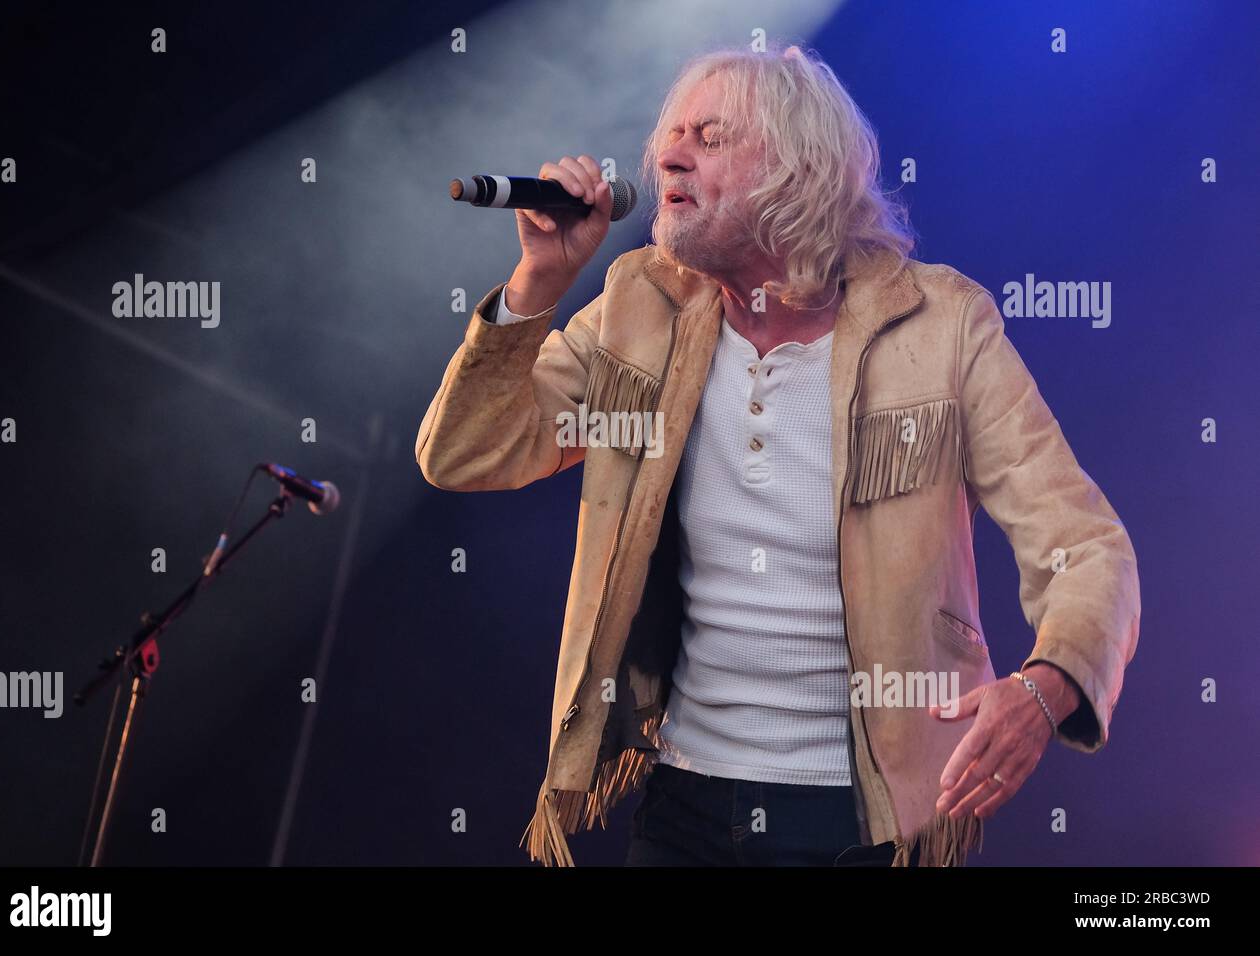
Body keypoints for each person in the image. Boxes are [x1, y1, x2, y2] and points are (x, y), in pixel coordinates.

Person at [415, 44, 1140, 867]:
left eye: (711, 137)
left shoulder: (942, 326)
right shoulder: (638, 305)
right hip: (683, 802)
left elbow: (1083, 544)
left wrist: (1042, 692)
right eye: (671, 135)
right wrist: (538, 283)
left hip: (870, 821)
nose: (669, 154)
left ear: (799, 171)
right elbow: (465, 453)